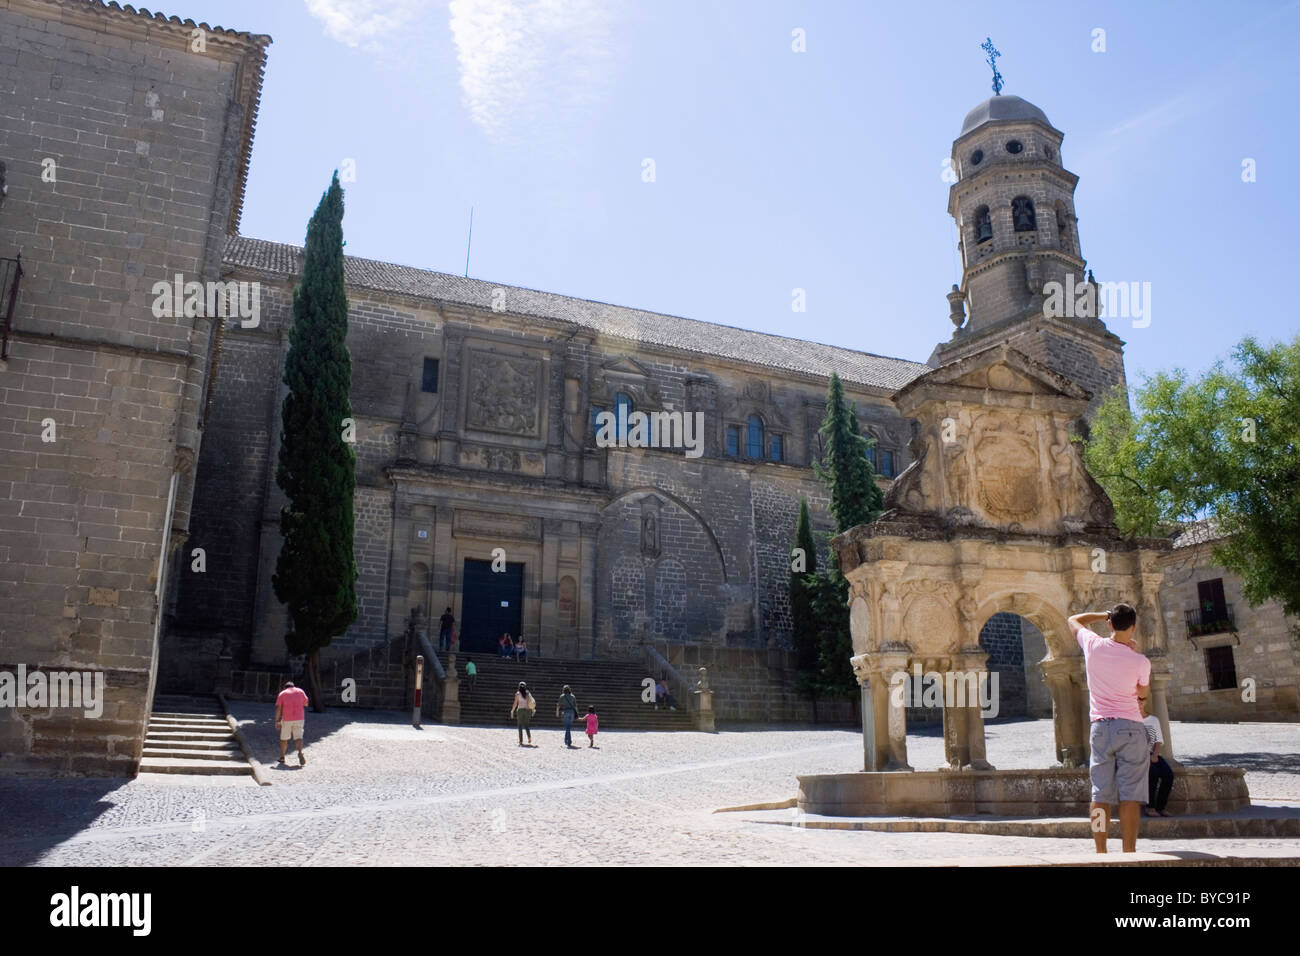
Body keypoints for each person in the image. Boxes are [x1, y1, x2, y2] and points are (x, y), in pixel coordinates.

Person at [1067, 603, 1151, 854]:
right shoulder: (1141, 661)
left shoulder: (1093, 645)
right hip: (1131, 727)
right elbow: (1142, 692)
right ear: (1133, 628)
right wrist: (1141, 702)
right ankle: (1129, 851)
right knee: (1130, 796)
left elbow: (1074, 619)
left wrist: (1104, 614)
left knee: (1100, 794)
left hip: (1101, 727)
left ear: (1110, 624)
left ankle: (1101, 850)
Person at [1142, 696, 1175, 817]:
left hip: (1152, 754)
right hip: (1139, 757)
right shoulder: (1131, 721)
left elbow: (1158, 740)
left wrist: (1155, 755)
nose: (1139, 702)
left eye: (1141, 699)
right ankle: (1150, 807)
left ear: (1145, 701)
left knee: (1168, 774)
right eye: (1136, 700)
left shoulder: (1153, 720)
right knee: (1153, 773)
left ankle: (1161, 807)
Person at [274, 680, 310, 766]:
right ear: (293, 686)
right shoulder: (300, 691)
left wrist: (277, 721)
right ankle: (300, 752)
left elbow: (279, 708)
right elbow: (306, 703)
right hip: (299, 718)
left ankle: (282, 757)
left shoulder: (282, 693)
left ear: (285, 687)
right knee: (298, 737)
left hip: (287, 719)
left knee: (284, 738)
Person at [510, 681, 535, 746]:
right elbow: (531, 701)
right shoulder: (528, 693)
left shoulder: (517, 694)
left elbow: (515, 703)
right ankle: (529, 737)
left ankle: (521, 741)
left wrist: (512, 711)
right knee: (526, 725)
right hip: (527, 710)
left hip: (520, 710)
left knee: (520, 726)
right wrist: (533, 709)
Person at [557, 684, 579, 748]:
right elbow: (575, 706)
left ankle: (568, 741)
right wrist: (577, 713)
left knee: (567, 727)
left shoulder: (562, 696)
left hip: (565, 712)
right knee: (568, 727)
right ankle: (566, 740)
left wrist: (557, 712)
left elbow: (558, 705)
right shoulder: (573, 696)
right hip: (572, 712)